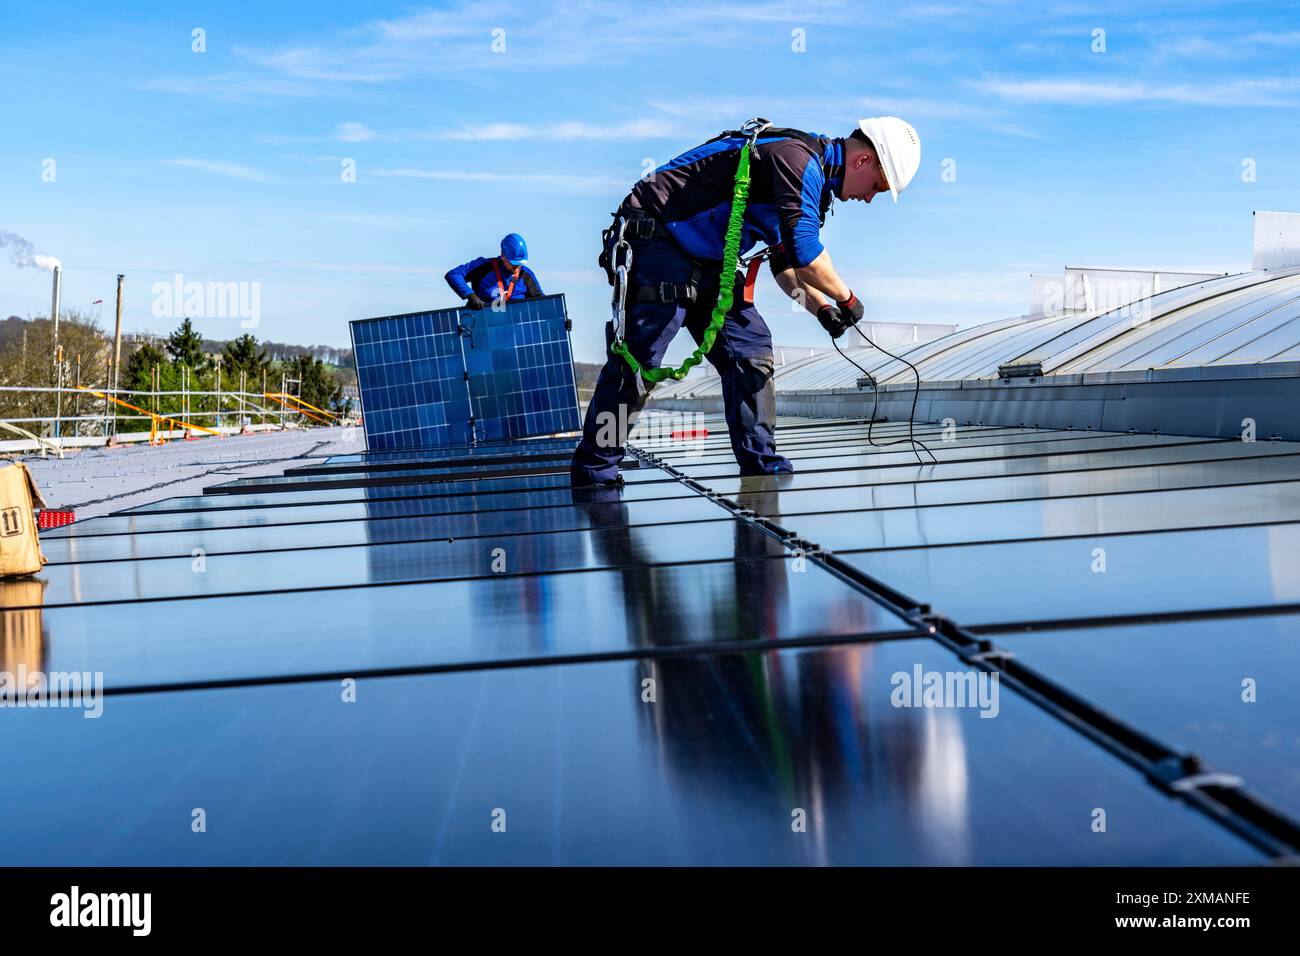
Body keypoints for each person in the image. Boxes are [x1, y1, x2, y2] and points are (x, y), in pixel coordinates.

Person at [569, 116, 922, 488]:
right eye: (879, 188)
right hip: (659, 235)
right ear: (863, 161)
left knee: (750, 350)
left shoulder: (813, 188)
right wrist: (848, 299)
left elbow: (787, 265)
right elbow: (807, 254)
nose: (869, 198)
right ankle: (595, 468)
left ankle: (760, 464)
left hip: (712, 259)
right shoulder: (796, 158)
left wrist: (823, 309)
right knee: (641, 355)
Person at [444, 233, 544, 310]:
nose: (517, 267)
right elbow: (453, 274)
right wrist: (471, 295)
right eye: (513, 263)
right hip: (484, 327)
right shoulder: (484, 267)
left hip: (516, 331)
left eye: (520, 264)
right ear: (503, 255)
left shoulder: (526, 275)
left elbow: (543, 304)